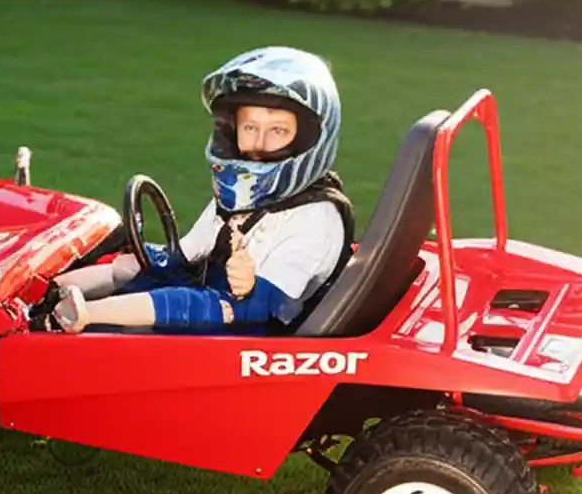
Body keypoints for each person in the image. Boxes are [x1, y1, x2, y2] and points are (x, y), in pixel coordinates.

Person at [43, 46, 353, 335]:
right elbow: (182, 260)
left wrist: (92, 313)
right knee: (133, 270)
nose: (257, 144)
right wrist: (59, 287)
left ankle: (68, 317)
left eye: (278, 130)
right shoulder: (240, 199)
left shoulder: (315, 219)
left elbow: (247, 307)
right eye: (249, 127)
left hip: (248, 340)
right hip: (212, 312)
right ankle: (42, 297)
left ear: (309, 138)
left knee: (102, 334)